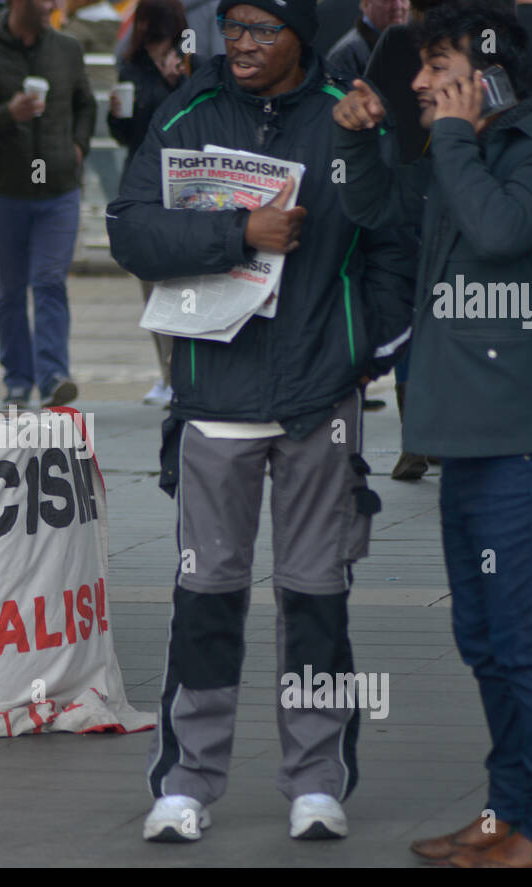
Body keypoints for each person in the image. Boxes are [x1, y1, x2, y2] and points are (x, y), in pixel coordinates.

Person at [107, 0, 416, 844]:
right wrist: (237, 231)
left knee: (317, 600)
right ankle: (185, 782)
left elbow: (395, 241)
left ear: (300, 37)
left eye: (260, 29)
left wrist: (361, 352)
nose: (238, 45)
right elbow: (130, 231)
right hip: (216, 398)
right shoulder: (187, 113)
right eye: (230, 27)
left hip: (323, 402)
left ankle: (317, 781)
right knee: (205, 599)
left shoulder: (346, 114)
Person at [332, 0, 532, 867]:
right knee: (485, 643)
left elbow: (499, 229)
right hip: (469, 444)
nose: (414, 82)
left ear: (483, 75)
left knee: (528, 643)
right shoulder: (460, 153)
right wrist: (357, 140)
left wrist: (447, 139)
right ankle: (510, 809)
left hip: (529, 442)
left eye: (432, 67)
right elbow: (385, 223)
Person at [0, 0, 95, 407]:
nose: (52, 5)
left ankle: (53, 376)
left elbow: (86, 103)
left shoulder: (67, 48)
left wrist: (79, 147)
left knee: (49, 281)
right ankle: (17, 378)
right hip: (4, 192)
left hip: (59, 189)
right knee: (10, 291)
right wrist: (8, 113)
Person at [363, 0, 442, 476]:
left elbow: (369, 98)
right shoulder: (461, 43)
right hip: (443, 185)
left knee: (413, 310)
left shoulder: (394, 40)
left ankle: (416, 439)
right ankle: (432, 436)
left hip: (400, 187)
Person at [107, 0, 194, 406]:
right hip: (141, 186)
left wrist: (181, 82)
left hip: (184, 186)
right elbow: (125, 135)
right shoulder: (131, 64)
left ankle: (184, 372)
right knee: (151, 285)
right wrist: (115, 116)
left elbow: (198, 121)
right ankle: (166, 375)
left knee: (183, 282)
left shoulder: (191, 58)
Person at [62, 0, 127, 207]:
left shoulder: (79, 26)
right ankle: (117, 207)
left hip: (85, 98)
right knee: (105, 161)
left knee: (80, 160)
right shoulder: (113, 20)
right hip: (107, 94)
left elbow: (63, 51)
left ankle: (75, 212)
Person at [327, 0, 410, 75]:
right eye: (387, 0)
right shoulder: (346, 55)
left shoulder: (415, 42)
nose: (398, 6)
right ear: (365, 3)